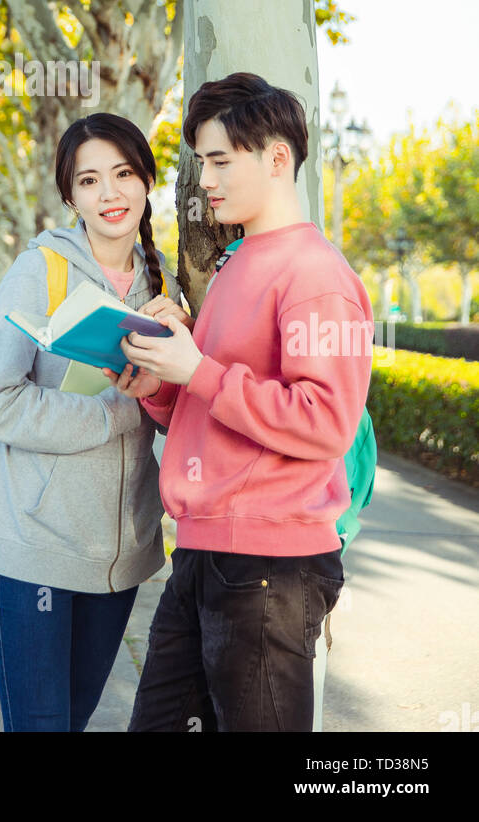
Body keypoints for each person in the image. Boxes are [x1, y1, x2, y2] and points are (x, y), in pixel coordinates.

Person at [103, 72, 374, 732]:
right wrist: (161, 386)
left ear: (277, 157)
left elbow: (326, 422)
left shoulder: (314, 274)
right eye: (202, 162)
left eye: (221, 160)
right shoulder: (236, 264)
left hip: (269, 568)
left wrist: (195, 370)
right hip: (202, 553)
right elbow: (213, 403)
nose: (207, 180)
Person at [0, 112, 191, 732]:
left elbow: (176, 417)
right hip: (32, 543)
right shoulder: (40, 272)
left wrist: (172, 369)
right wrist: (112, 413)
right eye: (89, 181)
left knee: (71, 721)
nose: (109, 194)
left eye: (124, 174)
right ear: (70, 195)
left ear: (147, 181)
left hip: (121, 553)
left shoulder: (164, 290)